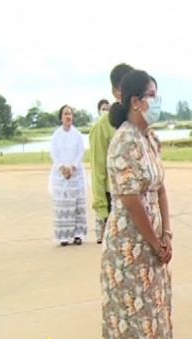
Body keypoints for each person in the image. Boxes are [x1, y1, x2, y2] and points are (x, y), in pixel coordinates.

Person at [100, 69, 174, 339]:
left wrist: (167, 235)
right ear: (136, 101)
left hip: (154, 251)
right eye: (152, 95)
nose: (156, 101)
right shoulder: (123, 141)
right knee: (134, 331)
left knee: (156, 327)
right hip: (129, 256)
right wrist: (156, 243)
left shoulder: (149, 138)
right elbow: (131, 201)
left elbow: (160, 189)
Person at [90, 63, 135, 244]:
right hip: (114, 198)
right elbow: (98, 170)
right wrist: (101, 210)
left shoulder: (138, 122)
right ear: (116, 92)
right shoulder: (101, 127)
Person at [48, 104, 89, 246]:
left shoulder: (77, 134)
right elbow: (53, 153)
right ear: (61, 117)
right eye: (65, 114)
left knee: (77, 204)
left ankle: (78, 235)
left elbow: (80, 152)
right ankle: (63, 236)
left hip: (75, 173)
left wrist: (72, 167)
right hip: (60, 174)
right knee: (63, 204)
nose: (68, 116)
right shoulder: (56, 135)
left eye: (70, 114)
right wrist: (62, 167)